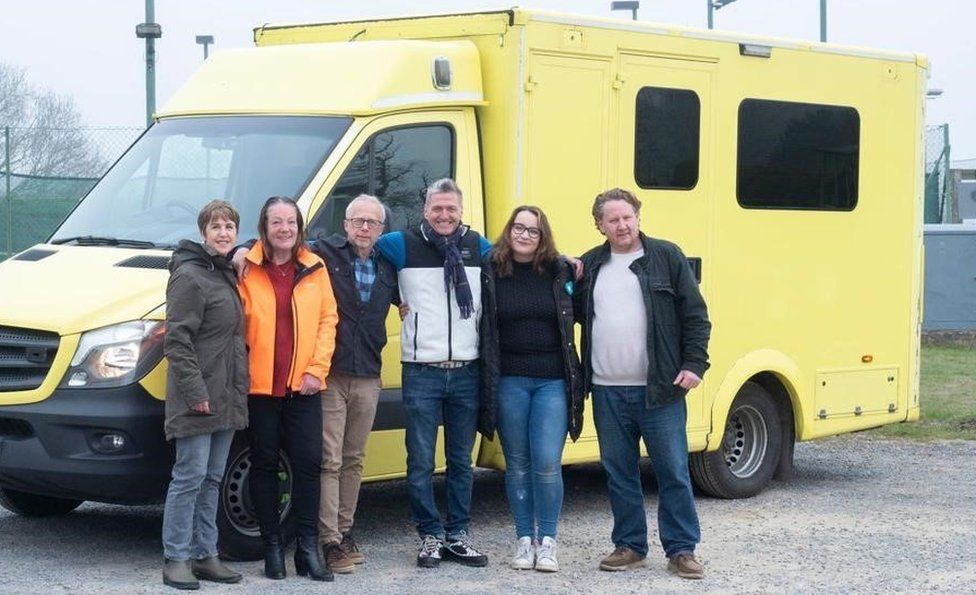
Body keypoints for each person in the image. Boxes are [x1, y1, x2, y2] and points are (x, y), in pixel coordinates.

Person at [574, 188, 711, 579]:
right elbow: (564, 304)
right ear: (600, 225)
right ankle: (630, 545)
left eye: (627, 217)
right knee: (619, 473)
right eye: (612, 220)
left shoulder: (666, 257)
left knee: (672, 471)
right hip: (606, 390)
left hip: (661, 389)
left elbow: (696, 316)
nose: (622, 225)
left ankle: (682, 549)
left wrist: (694, 364)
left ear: (637, 216)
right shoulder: (591, 264)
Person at [374, 178, 492, 568]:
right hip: (421, 369)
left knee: (461, 459)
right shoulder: (400, 244)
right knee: (420, 459)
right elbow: (358, 250)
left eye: (451, 209)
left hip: (466, 370)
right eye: (437, 209)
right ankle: (429, 535)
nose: (444, 216)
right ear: (425, 210)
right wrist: (394, 297)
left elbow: (525, 257)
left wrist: (569, 263)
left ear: (461, 211)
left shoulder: (479, 247)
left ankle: (458, 534)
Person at [238, 196, 339, 582]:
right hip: (260, 388)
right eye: (276, 222)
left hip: (304, 388)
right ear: (264, 227)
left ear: (299, 227)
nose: (284, 229)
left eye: (291, 222)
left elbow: (328, 320)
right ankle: (273, 548)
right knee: (264, 466)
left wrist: (317, 369)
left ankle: (308, 550)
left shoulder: (314, 267)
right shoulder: (246, 267)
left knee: (308, 467)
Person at [479, 206, 585, 573]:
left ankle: (549, 542)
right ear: (508, 231)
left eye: (533, 231)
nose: (524, 235)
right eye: (519, 228)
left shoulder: (560, 271)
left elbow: (583, 309)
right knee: (518, 464)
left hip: (552, 381)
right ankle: (524, 540)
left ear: (543, 237)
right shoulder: (490, 269)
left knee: (545, 462)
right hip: (509, 380)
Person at [162, 200, 249, 590]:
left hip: (226, 395)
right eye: (216, 227)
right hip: (197, 396)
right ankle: (176, 558)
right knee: (189, 477)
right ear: (203, 234)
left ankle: (206, 554)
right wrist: (196, 392)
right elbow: (177, 342)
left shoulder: (225, 272)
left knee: (212, 478)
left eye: (229, 227)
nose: (223, 233)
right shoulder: (190, 276)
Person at [312, 195, 398, 573]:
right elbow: (278, 239)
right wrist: (242, 250)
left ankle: (345, 532)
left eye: (373, 223)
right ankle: (327, 540)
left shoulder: (389, 265)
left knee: (354, 459)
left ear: (382, 229)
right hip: (330, 373)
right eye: (358, 221)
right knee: (329, 460)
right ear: (345, 224)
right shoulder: (324, 253)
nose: (365, 228)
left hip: (368, 374)